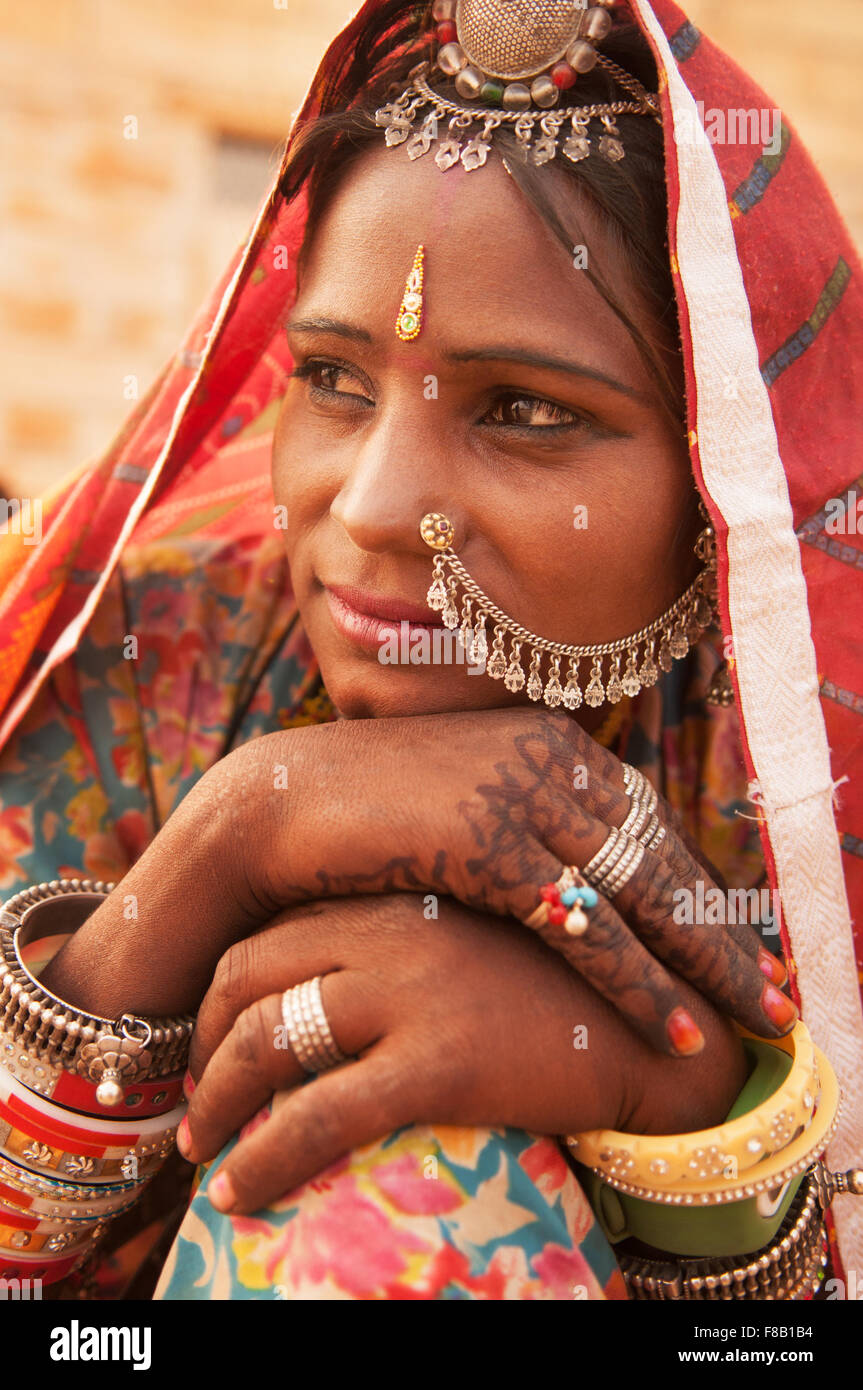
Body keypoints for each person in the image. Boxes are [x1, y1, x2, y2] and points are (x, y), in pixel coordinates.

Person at [0, 0, 860, 1302]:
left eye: (524, 408)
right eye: (335, 379)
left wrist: (674, 1087)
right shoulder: (154, 642)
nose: (373, 506)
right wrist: (232, 836)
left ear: (715, 478)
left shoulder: (810, 785)